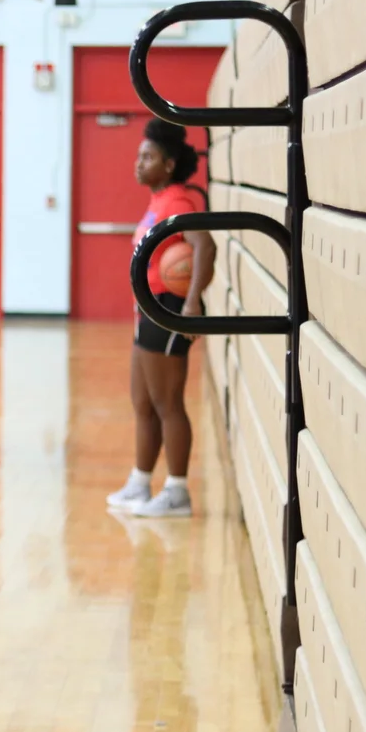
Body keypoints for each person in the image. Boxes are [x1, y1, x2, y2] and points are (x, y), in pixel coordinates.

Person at [106, 120, 215, 518]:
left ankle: (177, 491)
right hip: (148, 308)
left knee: (168, 402)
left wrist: (191, 303)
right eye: (139, 155)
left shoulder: (179, 202)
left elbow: (204, 244)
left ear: (168, 165)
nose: (138, 163)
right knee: (143, 401)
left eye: (147, 157)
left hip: (169, 307)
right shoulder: (158, 200)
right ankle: (140, 482)